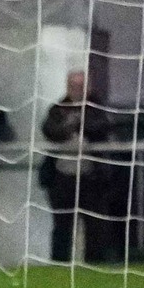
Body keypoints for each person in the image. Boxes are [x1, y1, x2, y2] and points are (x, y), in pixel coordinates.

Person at [41, 68, 126, 264]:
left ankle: (94, 264)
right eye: (73, 86)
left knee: (96, 226)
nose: (76, 90)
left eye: (80, 86)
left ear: (89, 87)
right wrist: (72, 125)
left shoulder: (98, 108)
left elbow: (100, 128)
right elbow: (50, 130)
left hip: (92, 178)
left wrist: (76, 123)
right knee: (62, 225)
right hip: (62, 178)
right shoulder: (57, 108)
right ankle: (59, 265)